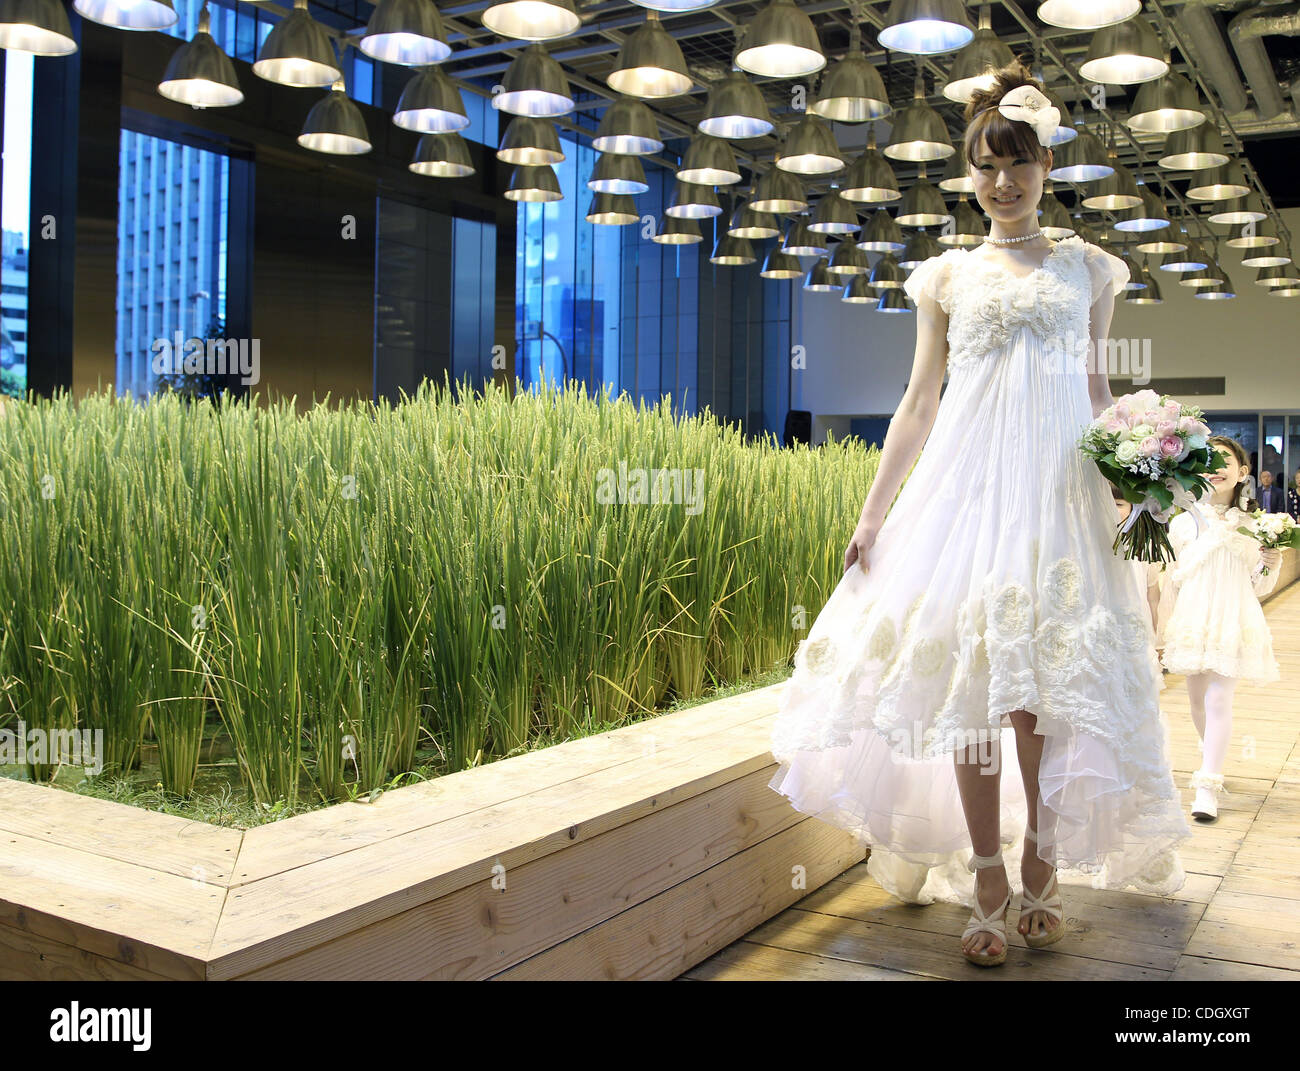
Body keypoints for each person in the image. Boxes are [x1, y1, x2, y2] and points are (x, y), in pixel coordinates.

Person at [768, 59, 1187, 970]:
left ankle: (1045, 861)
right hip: (965, 496)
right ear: (968, 175)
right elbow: (919, 401)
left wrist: (1139, 469)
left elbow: (1094, 384)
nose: (1003, 183)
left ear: (1046, 166)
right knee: (968, 692)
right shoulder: (946, 275)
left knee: (1041, 695)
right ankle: (988, 876)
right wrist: (874, 515)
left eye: (1019, 164)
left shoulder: (1089, 267)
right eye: (986, 167)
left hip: (1058, 496)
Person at [1157, 436, 1281, 821]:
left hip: (1233, 619)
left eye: (1226, 460)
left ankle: (1207, 786)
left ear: (1243, 472)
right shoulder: (1180, 522)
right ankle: (1211, 749)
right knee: (1196, 702)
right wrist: (1163, 631)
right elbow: (1170, 581)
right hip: (1193, 620)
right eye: (1209, 459)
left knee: (1217, 700)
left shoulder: (1256, 525)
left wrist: (1271, 562)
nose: (1217, 465)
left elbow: (1259, 586)